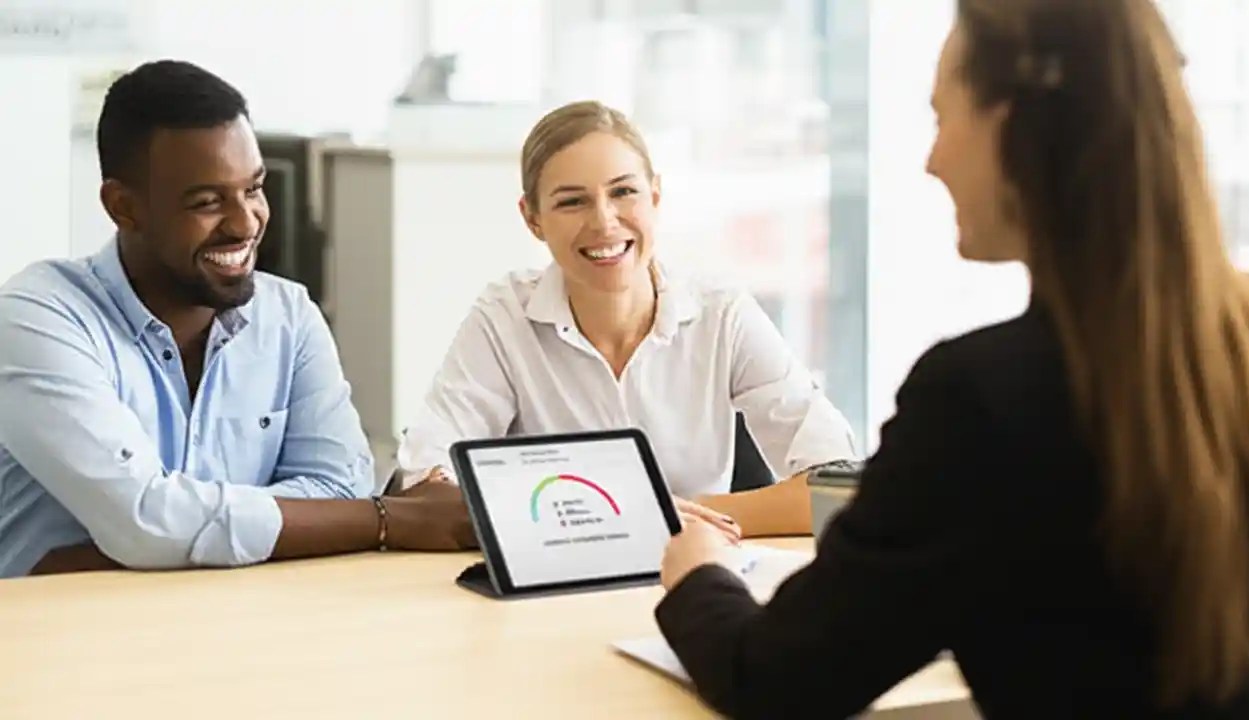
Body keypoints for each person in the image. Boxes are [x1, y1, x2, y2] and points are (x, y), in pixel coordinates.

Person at [654, 0, 1249, 717]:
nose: (932, 160)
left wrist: (699, 573)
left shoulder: (983, 399)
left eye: (942, 117)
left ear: (1009, 126)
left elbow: (772, 681)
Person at [0, 60, 473, 579]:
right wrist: (385, 521)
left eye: (253, 189)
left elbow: (341, 487)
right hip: (55, 639)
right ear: (123, 206)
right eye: (207, 202)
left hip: (232, 624)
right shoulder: (37, 318)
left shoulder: (287, 316)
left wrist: (171, 537)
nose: (246, 223)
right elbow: (144, 522)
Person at [396, 100, 859, 538]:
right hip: (556, 591)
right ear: (532, 218)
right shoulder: (503, 318)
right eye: (572, 202)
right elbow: (423, 485)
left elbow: (838, 489)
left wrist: (658, 515)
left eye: (624, 192)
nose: (604, 221)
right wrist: (625, 515)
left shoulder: (722, 315)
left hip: (697, 577)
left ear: (655, 195)